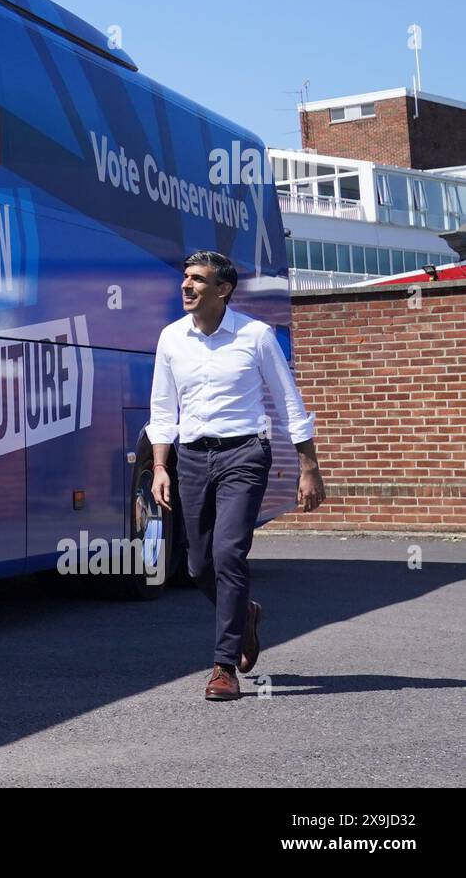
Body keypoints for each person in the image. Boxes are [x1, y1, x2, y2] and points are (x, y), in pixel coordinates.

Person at [148, 250, 325, 700]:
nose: (186, 286)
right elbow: (163, 409)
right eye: (185, 278)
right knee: (197, 564)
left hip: (244, 455)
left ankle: (223, 666)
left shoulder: (256, 336)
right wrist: (159, 467)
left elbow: (289, 402)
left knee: (229, 553)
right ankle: (244, 614)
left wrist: (309, 467)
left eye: (198, 280)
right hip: (191, 457)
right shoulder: (171, 339)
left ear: (223, 290)